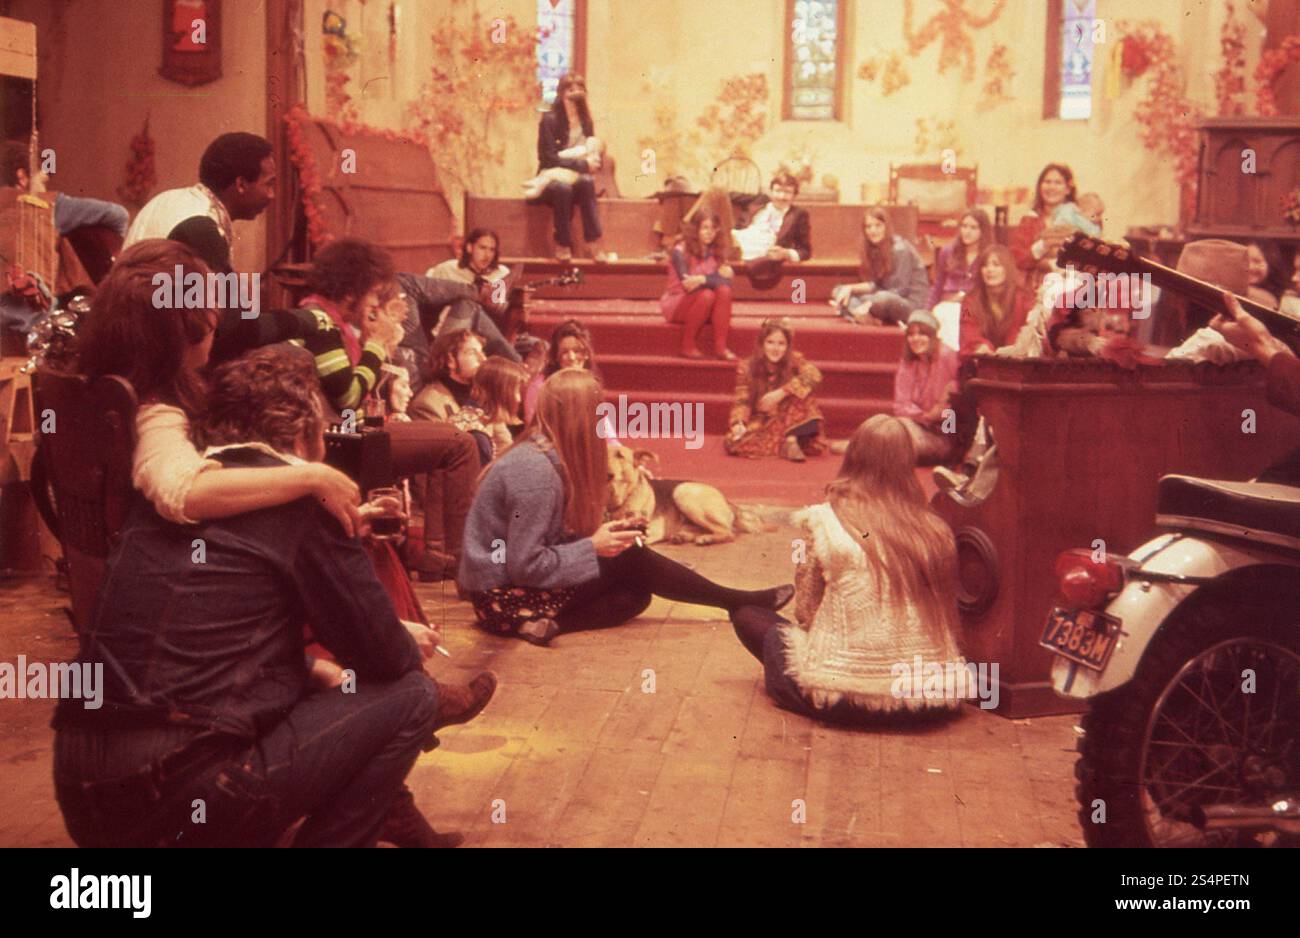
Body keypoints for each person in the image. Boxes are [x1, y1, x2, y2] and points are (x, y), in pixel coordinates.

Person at [52, 345, 498, 848]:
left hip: (83, 797)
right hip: (181, 793)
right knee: (412, 695)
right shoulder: (306, 502)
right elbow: (387, 659)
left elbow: (204, 645)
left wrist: (315, 669)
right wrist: (383, 625)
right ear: (303, 435)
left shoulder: (167, 499)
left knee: (335, 685)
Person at [458, 368, 793, 646]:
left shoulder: (543, 454)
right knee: (630, 558)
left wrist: (600, 536)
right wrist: (593, 546)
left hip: (506, 595)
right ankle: (735, 600)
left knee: (636, 594)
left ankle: (549, 626)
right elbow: (525, 566)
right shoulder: (535, 472)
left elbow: (542, 541)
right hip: (502, 600)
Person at [729, 415, 967, 721]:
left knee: (748, 616)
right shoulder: (934, 528)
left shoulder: (824, 521)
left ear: (853, 457)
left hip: (844, 700)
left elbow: (807, 612)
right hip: (930, 702)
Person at [296, 238, 480, 580]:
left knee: (453, 440)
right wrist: (377, 343)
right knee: (461, 444)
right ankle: (467, 566)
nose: (373, 302)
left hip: (354, 433)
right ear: (352, 290)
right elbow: (349, 398)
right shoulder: (320, 322)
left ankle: (440, 554)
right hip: (344, 440)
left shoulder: (331, 321)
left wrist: (380, 341)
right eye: (372, 293)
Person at [123, 131, 308, 363]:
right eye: (269, 184)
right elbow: (233, 330)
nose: (272, 196)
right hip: (153, 362)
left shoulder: (169, 199)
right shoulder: (201, 229)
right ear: (241, 184)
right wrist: (304, 320)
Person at [726, 318, 824, 461]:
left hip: (791, 414)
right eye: (770, 342)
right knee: (734, 442)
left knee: (803, 397)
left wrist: (782, 392)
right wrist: (738, 422)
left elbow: (814, 374)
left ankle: (791, 440)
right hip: (765, 418)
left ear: (788, 346)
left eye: (781, 343)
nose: (775, 348)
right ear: (762, 343)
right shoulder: (747, 366)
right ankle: (787, 444)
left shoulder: (795, 360)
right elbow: (742, 400)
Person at [533, 74, 606, 261]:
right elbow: (548, 158)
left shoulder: (586, 121)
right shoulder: (549, 119)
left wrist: (594, 158)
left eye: (579, 90)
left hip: (576, 177)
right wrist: (582, 164)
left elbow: (590, 147)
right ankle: (563, 243)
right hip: (551, 177)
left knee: (587, 182)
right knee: (562, 188)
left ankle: (593, 242)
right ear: (562, 94)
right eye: (570, 91)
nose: (574, 96)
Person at [424, 228, 522, 362]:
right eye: (482, 248)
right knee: (467, 304)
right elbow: (426, 302)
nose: (487, 255)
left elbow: (499, 309)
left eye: (492, 250)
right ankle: (516, 362)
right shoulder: (446, 269)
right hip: (450, 332)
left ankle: (516, 363)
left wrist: (495, 295)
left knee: (535, 343)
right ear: (470, 248)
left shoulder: (501, 273)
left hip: (486, 334)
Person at [2, 139, 129, 238]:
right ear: (22, 177)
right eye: (42, 181)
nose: (44, 190)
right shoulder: (48, 207)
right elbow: (118, 215)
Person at [829, 206, 930, 325]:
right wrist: (850, 288)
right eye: (868, 227)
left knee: (881, 299)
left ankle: (856, 312)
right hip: (881, 296)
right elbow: (876, 285)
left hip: (907, 303)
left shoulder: (900, 249)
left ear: (886, 227)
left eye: (878, 225)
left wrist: (868, 302)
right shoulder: (874, 248)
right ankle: (865, 315)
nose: (873, 230)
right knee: (839, 290)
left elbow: (899, 290)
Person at [660, 211, 736, 359]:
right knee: (707, 295)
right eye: (705, 228)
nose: (709, 233)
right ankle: (687, 345)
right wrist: (714, 278)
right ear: (695, 229)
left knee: (724, 291)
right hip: (678, 302)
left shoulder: (716, 250)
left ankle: (720, 347)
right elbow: (688, 285)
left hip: (706, 302)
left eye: (713, 228)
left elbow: (726, 281)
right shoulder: (680, 251)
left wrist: (702, 279)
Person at [893, 310, 961, 465]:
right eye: (911, 334)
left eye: (922, 334)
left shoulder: (947, 356)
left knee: (897, 438)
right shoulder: (907, 363)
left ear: (933, 336)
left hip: (946, 433)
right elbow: (900, 406)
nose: (915, 339)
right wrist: (927, 416)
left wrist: (942, 411)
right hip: (917, 428)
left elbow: (958, 398)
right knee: (897, 427)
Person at [732, 170, 811, 289]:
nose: (781, 197)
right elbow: (729, 195)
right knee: (716, 194)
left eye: (787, 192)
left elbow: (805, 251)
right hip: (736, 239)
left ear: (794, 195)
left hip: (761, 250)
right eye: (778, 191)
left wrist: (785, 254)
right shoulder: (759, 201)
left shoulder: (798, 215)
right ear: (771, 191)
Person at [1008, 163, 1080, 292]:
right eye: (1047, 182)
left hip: (1071, 290)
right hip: (1034, 290)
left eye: (1058, 182)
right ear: (1040, 187)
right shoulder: (1029, 220)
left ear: (1068, 189)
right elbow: (1016, 258)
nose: (1051, 187)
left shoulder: (1080, 220)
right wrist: (1044, 250)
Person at [928, 209, 993, 350]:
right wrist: (927, 311)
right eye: (964, 226)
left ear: (983, 231)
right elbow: (938, 285)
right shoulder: (948, 251)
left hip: (973, 308)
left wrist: (965, 297)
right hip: (946, 304)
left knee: (959, 317)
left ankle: (955, 355)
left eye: (973, 228)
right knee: (942, 315)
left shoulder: (989, 255)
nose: (967, 232)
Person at [448, 356, 529, 462]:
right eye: (516, 391)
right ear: (500, 392)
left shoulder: (472, 414)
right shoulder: (478, 437)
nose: (518, 399)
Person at [959, 245, 1035, 358]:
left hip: (1017, 360)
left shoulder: (1023, 298)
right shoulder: (968, 303)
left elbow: (1026, 334)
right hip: (982, 359)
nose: (990, 270)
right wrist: (980, 346)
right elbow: (967, 330)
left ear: (1007, 268)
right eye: (985, 265)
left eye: (996, 264)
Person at [524, 318, 601, 424]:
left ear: (587, 354)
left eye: (577, 351)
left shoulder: (591, 385)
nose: (571, 357)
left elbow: (604, 427)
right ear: (556, 355)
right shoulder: (540, 388)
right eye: (564, 352)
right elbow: (534, 428)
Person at [410, 328, 486, 423]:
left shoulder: (485, 394)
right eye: (472, 353)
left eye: (482, 352)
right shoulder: (428, 404)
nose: (483, 359)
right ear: (450, 360)